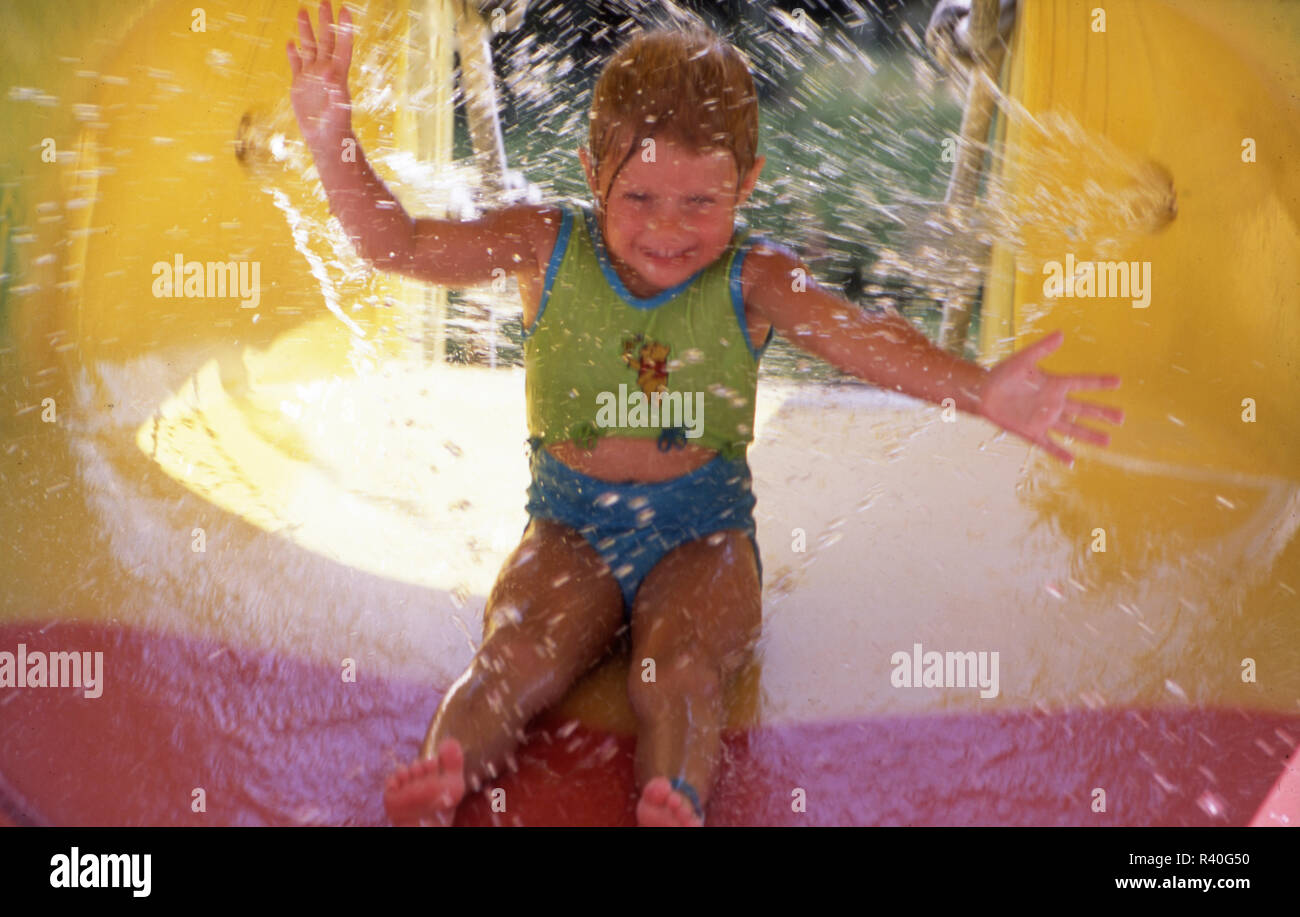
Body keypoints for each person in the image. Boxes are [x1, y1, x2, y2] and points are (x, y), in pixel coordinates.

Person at [286, 1, 1122, 826]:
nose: (667, 231)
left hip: (705, 536)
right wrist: (333, 140)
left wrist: (982, 389)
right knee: (517, 650)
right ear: (590, 171)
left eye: (701, 203)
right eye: (641, 195)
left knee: (677, 666)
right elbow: (398, 246)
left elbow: (863, 339)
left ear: (746, 184)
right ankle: (445, 776)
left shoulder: (754, 280)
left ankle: (675, 798)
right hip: (568, 524)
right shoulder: (544, 245)